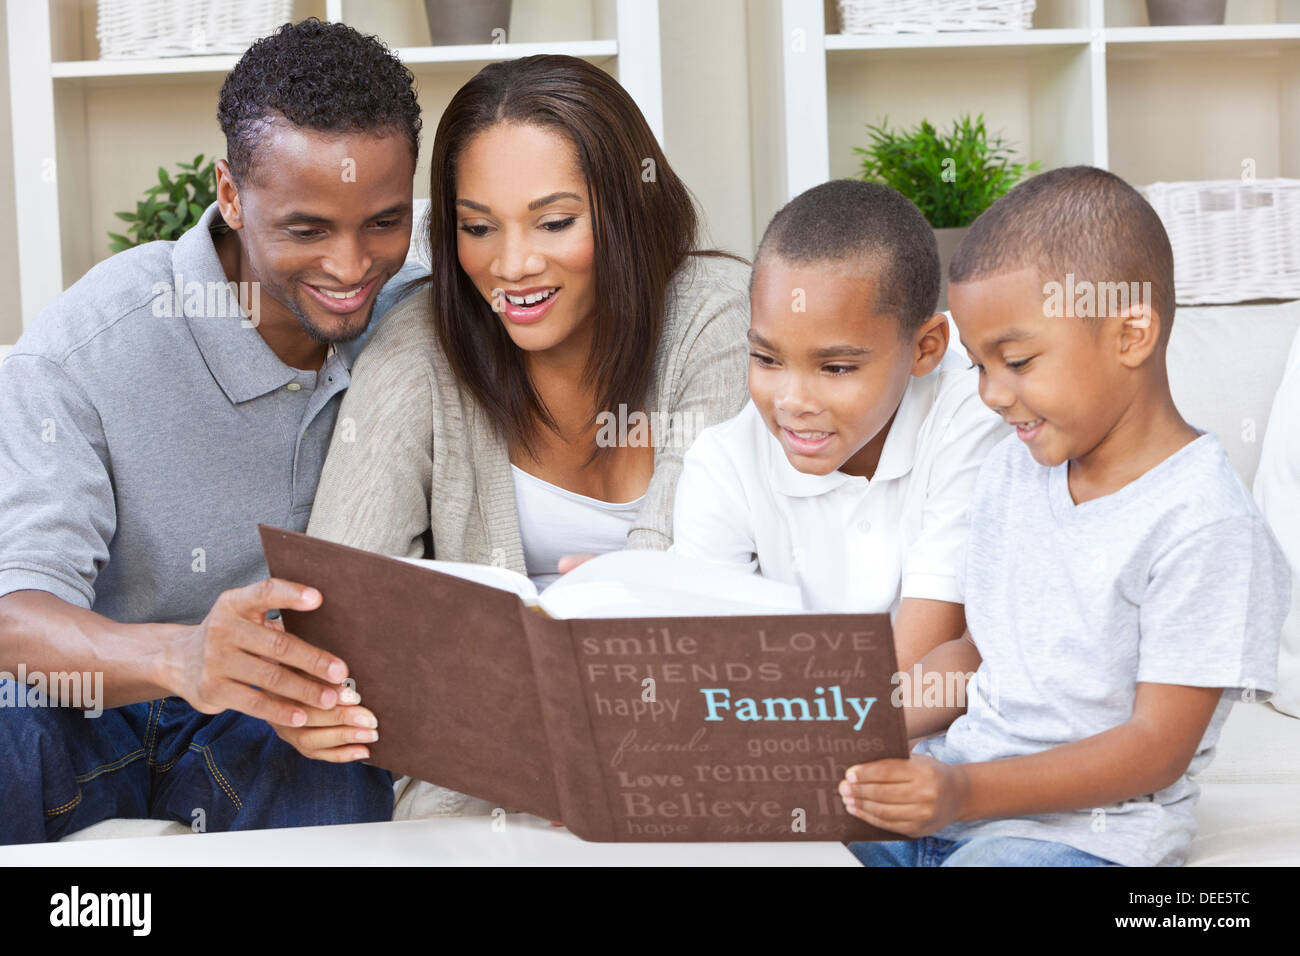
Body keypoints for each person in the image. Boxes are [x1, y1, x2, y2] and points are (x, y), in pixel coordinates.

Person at [0, 19, 423, 843]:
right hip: (99, 705)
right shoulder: (85, 348)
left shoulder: (421, 309)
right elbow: (15, 616)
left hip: (272, 714)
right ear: (230, 195)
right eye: (306, 229)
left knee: (341, 770)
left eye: (383, 221)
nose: (350, 266)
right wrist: (182, 659)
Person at [304, 54, 752, 814]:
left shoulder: (717, 315)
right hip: (479, 766)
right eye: (478, 227)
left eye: (554, 222)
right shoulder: (421, 343)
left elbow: (675, 585)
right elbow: (346, 592)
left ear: (625, 209)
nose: (510, 266)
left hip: (688, 743)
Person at [842, 166, 1290, 867]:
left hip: (1079, 838)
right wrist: (859, 726)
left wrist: (961, 792)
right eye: (978, 367)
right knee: (813, 808)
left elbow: (1155, 749)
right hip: (956, 800)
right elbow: (978, 654)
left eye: (1015, 360)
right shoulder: (1010, 474)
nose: (991, 394)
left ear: (1131, 334)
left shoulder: (1207, 526)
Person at [671, 180, 1008, 673]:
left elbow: (919, 662)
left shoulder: (972, 425)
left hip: (919, 734)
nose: (792, 401)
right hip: (788, 731)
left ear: (925, 348)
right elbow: (713, 663)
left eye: (836, 368)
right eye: (766, 358)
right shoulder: (723, 464)